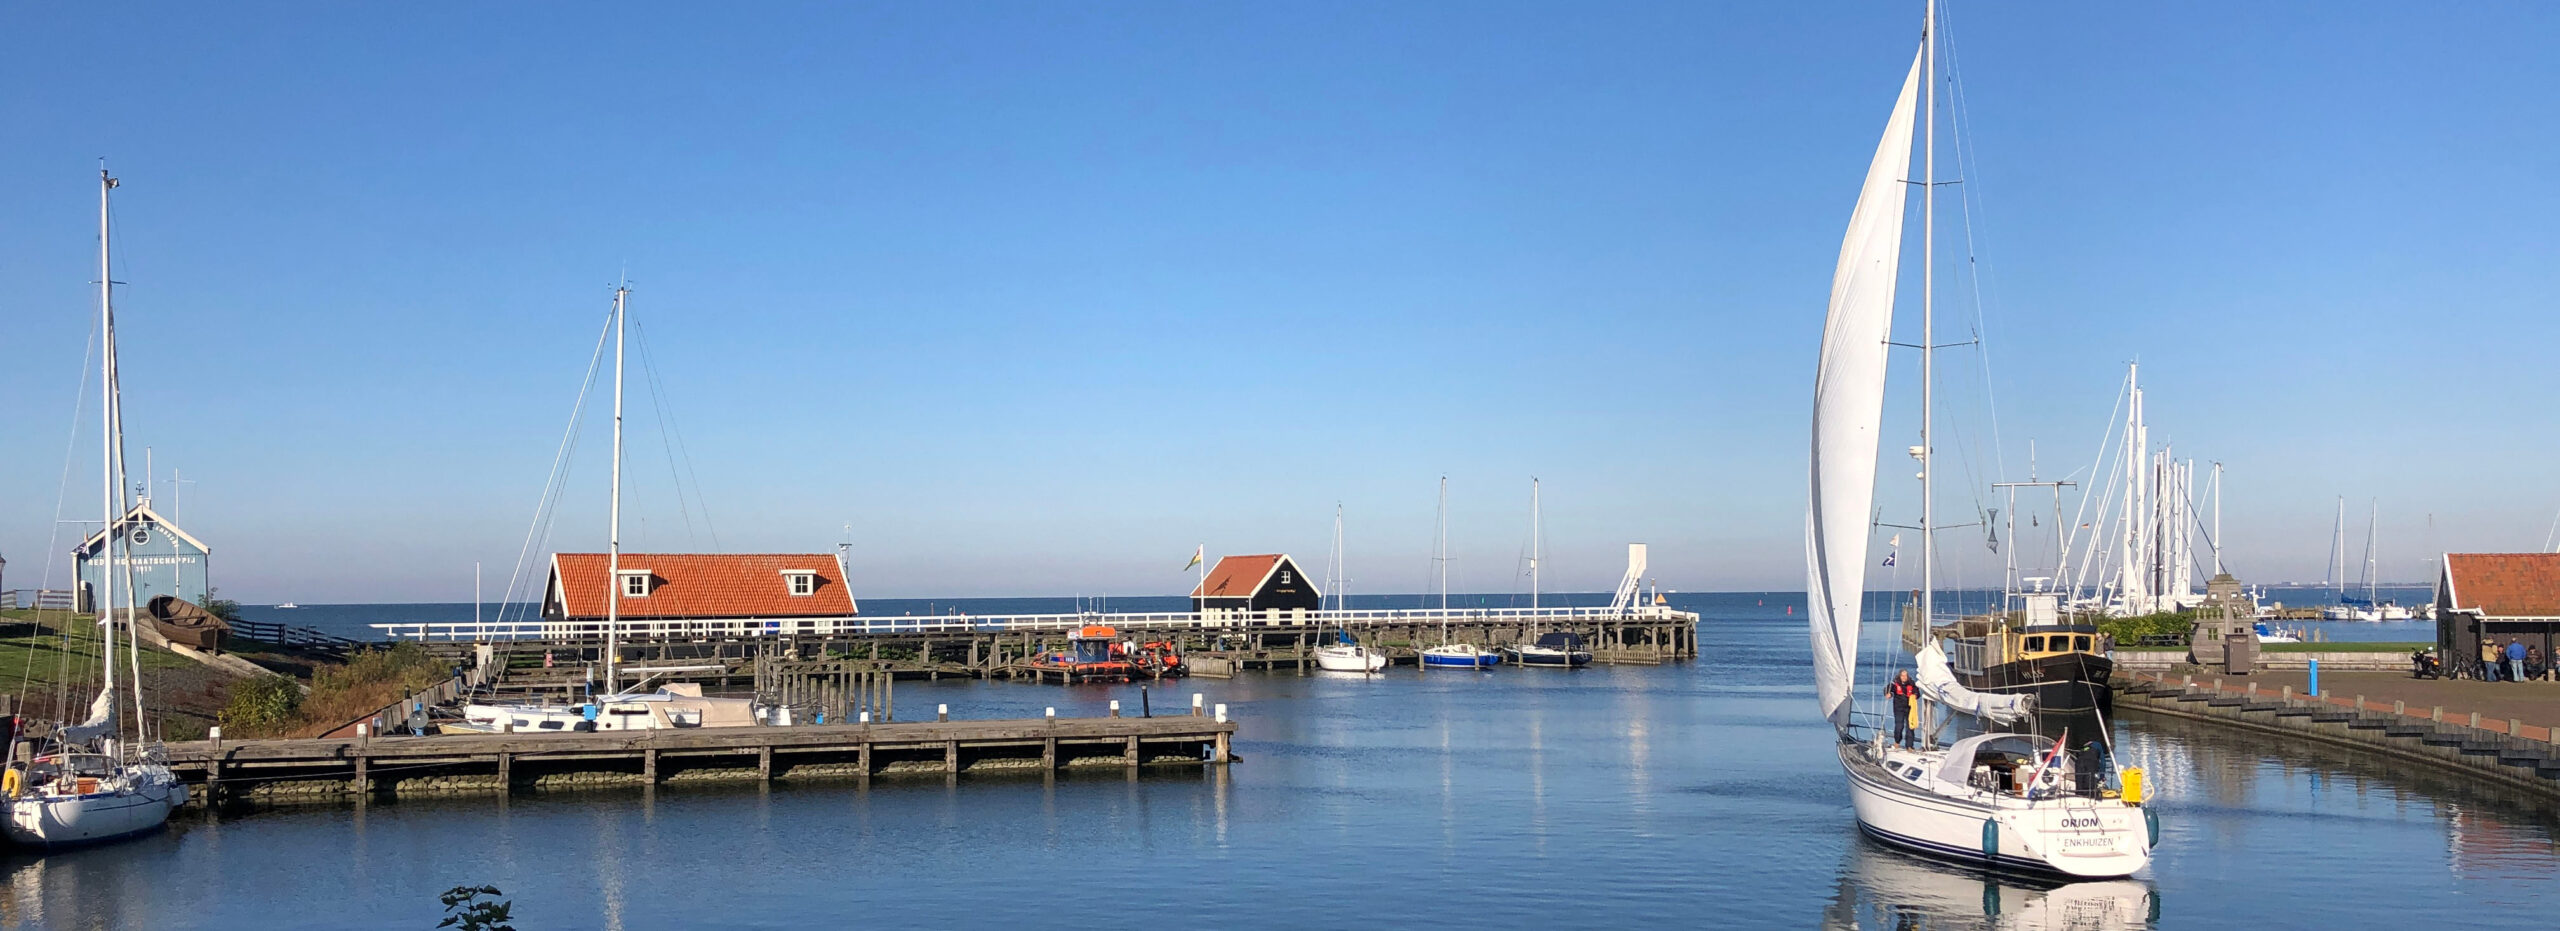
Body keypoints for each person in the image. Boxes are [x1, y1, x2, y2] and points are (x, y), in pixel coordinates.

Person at [1887, 670, 1920, 749]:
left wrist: (1915, 695)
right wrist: (1889, 694)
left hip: (1909, 708)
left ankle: (1909, 746)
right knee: (1899, 726)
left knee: (1910, 727)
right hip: (1898, 708)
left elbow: (1917, 693)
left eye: (1905, 675)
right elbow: (1888, 690)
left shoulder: (1912, 684)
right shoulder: (1895, 684)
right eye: (1902, 676)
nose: (1904, 677)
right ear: (1900, 676)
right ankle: (1897, 741)